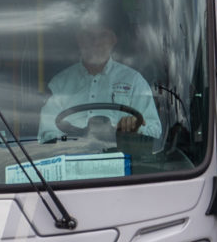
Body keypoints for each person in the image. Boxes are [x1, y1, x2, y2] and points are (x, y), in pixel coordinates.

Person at [38, 9, 162, 143]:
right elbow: (45, 135)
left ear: (113, 40)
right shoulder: (59, 84)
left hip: (121, 161)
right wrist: (67, 138)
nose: (96, 42)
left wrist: (135, 128)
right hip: (72, 159)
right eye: (89, 36)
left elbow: (154, 131)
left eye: (103, 35)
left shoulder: (134, 81)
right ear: (79, 39)